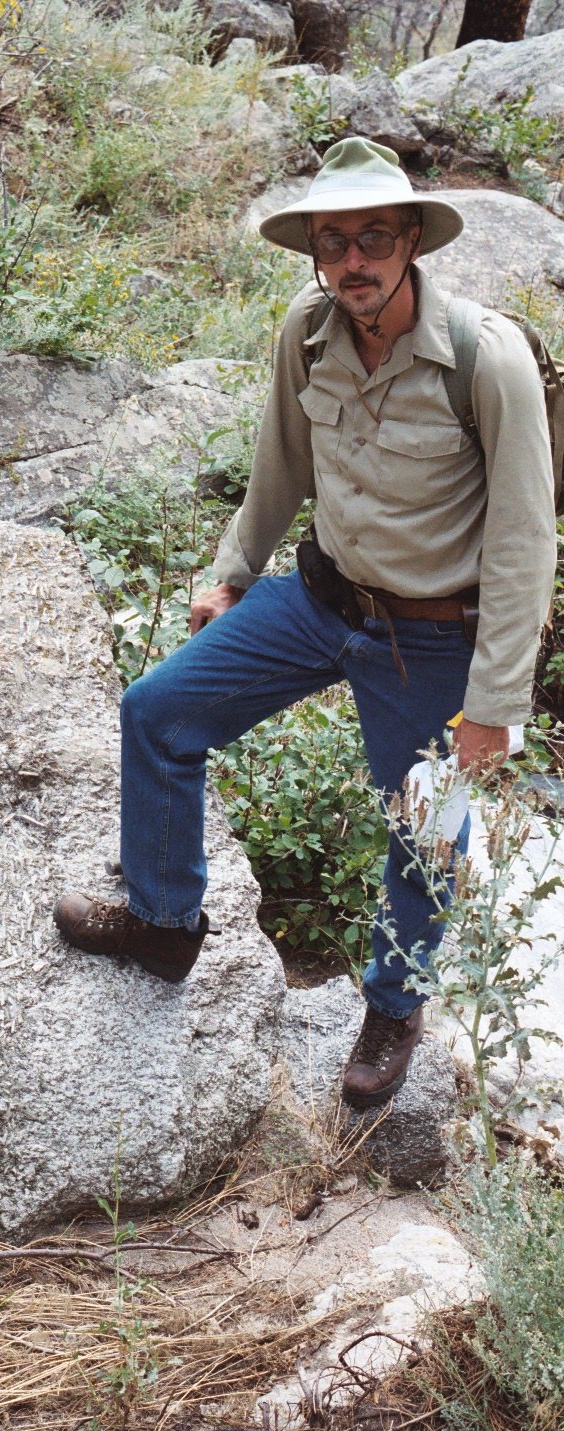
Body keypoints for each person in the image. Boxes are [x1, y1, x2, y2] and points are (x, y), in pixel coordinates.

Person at [53, 137, 557, 1109]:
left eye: (374, 237)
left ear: (412, 241)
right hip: (319, 600)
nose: (353, 261)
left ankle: (395, 1004)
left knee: (423, 830)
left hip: (433, 640)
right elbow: (279, 462)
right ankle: (163, 924)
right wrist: (231, 574)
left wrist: (496, 704)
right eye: (333, 242)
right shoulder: (308, 329)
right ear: (314, 251)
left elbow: (525, 541)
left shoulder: (483, 360)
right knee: (158, 713)